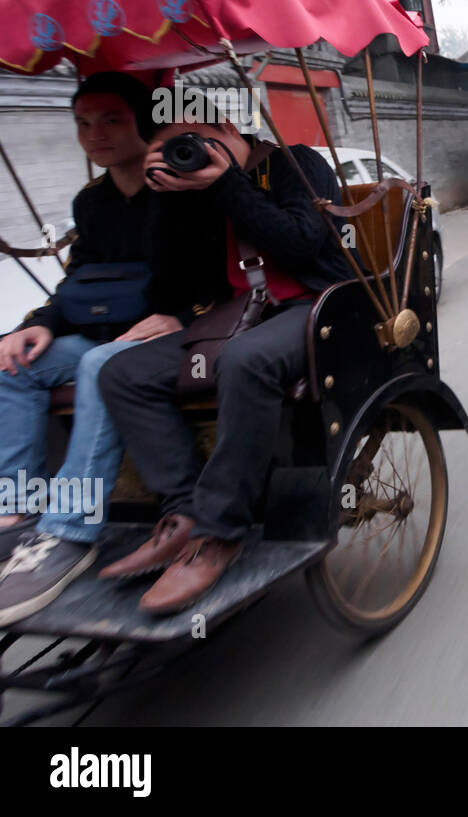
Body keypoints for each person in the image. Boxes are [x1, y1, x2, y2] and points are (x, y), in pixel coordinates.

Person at [94, 120, 350, 615]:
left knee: (245, 359)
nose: (188, 154)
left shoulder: (296, 163)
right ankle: (185, 513)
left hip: (311, 306)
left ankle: (220, 533)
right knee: (121, 373)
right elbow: (169, 286)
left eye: (194, 141)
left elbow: (301, 241)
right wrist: (164, 195)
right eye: (173, 148)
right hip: (231, 315)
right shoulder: (190, 189)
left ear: (228, 128)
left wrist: (227, 183)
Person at [0, 72, 169, 626]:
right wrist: (40, 323)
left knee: (101, 364)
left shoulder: (179, 188)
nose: (94, 134)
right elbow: (82, 278)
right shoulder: (91, 201)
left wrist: (173, 316)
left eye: (111, 120)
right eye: (82, 123)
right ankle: (16, 507)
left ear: (144, 121)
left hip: (175, 335)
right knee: (13, 363)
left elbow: (212, 277)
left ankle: (70, 530)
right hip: (100, 334)